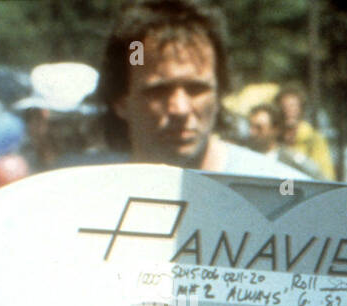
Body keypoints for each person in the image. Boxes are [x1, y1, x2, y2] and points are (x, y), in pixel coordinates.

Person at [97, 0, 305, 179]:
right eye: (158, 91)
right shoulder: (84, 198)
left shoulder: (282, 196)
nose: (180, 109)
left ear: (219, 94)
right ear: (121, 101)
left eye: (197, 89)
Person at [277, 83, 335, 180]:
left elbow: (326, 176)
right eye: (284, 106)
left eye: (293, 106)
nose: (288, 111)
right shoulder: (275, 138)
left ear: (301, 109)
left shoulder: (313, 138)